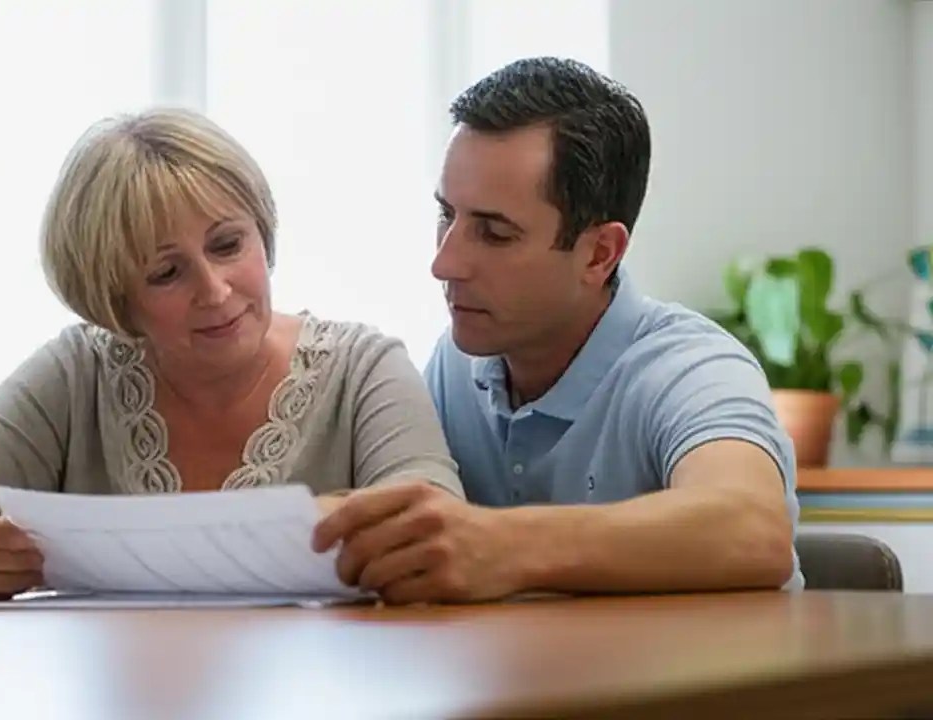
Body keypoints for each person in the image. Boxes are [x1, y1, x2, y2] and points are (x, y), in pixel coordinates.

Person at [0, 107, 463, 599]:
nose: (215, 291)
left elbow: (444, 533)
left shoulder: (363, 369)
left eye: (228, 245)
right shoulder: (77, 372)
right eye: (167, 273)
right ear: (115, 299)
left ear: (263, 232)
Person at [313, 57, 802, 603]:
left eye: (494, 234)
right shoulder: (456, 364)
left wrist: (506, 545)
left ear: (599, 253)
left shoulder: (691, 368)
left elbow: (754, 530)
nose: (444, 264)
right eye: (447, 216)